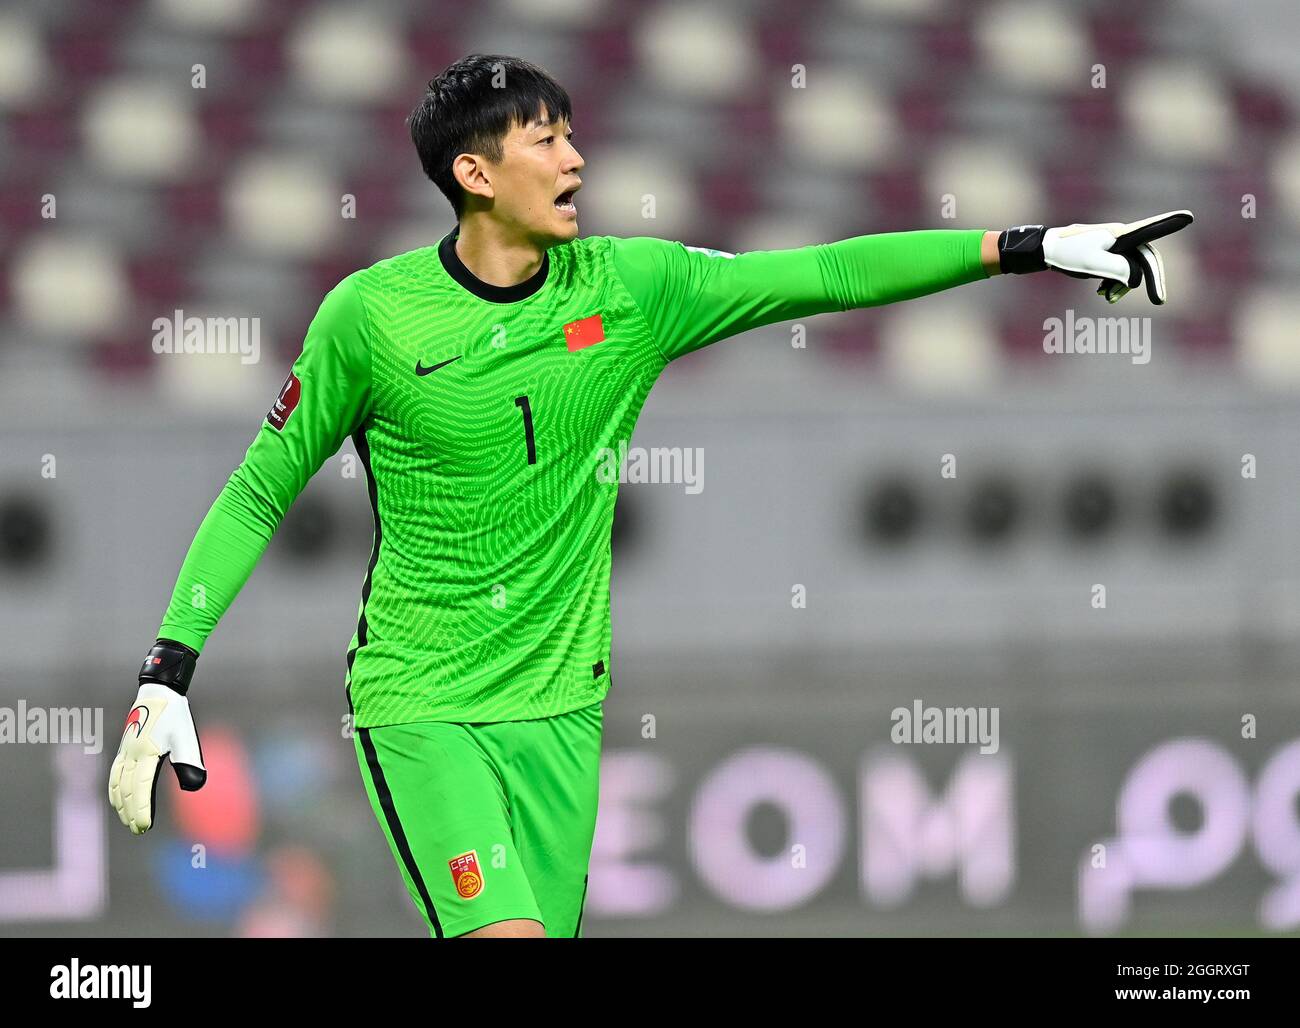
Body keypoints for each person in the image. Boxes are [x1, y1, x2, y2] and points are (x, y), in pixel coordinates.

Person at [108, 53, 1192, 938]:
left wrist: (1030, 246)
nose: (576, 157)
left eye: (572, 133)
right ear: (477, 174)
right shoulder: (372, 318)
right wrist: (169, 668)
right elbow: (259, 492)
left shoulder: (633, 290)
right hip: (422, 699)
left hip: (563, 711)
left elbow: (825, 274)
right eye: (546, 139)